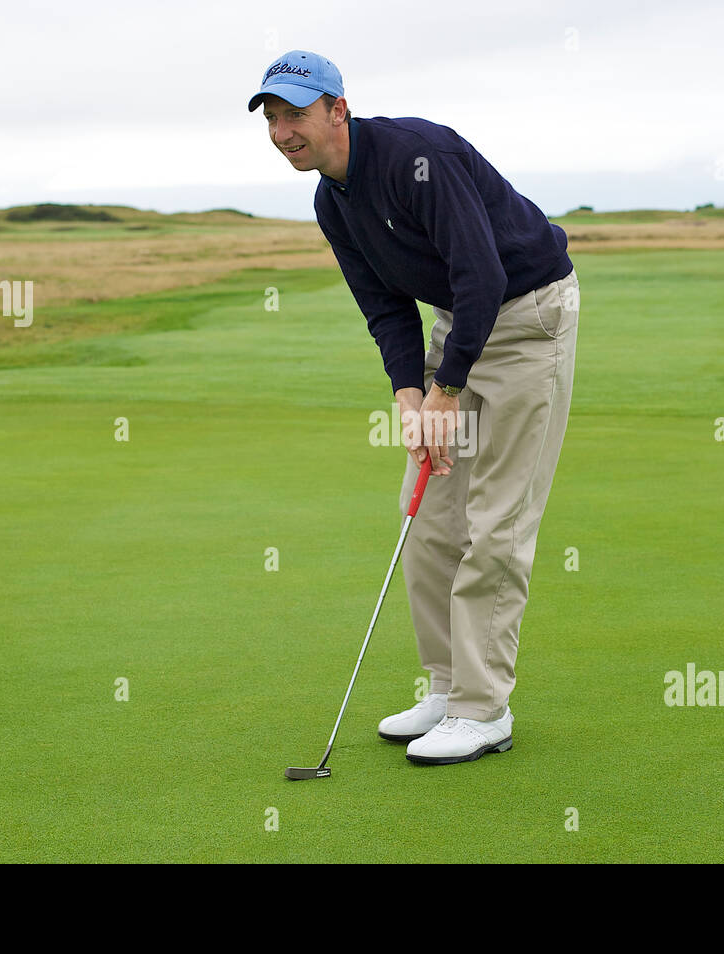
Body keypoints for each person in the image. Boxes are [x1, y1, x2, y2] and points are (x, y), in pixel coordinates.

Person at [248, 50, 578, 765]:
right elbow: (384, 305)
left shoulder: (417, 156)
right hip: (454, 324)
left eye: (295, 114)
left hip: (527, 320)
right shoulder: (330, 200)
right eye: (272, 118)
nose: (282, 132)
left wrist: (445, 388)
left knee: (496, 522)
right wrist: (409, 394)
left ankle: (483, 709)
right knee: (427, 511)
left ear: (338, 108)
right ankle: (447, 685)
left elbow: (483, 274)